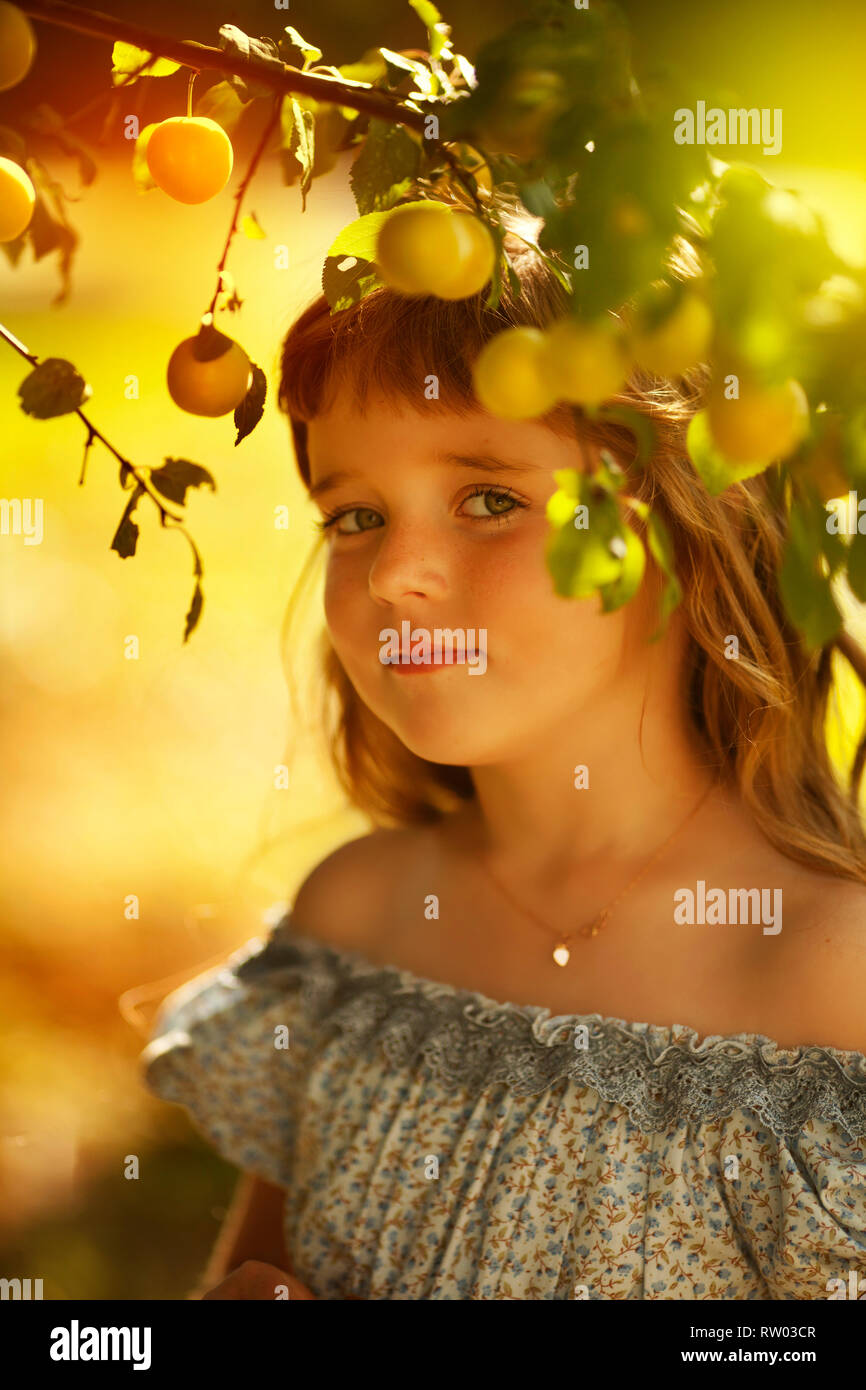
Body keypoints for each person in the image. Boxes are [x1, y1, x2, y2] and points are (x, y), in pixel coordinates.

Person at [141, 192, 866, 1300]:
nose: (393, 574)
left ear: (688, 526)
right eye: (354, 515)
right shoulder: (359, 919)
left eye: (486, 496)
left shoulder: (827, 976)